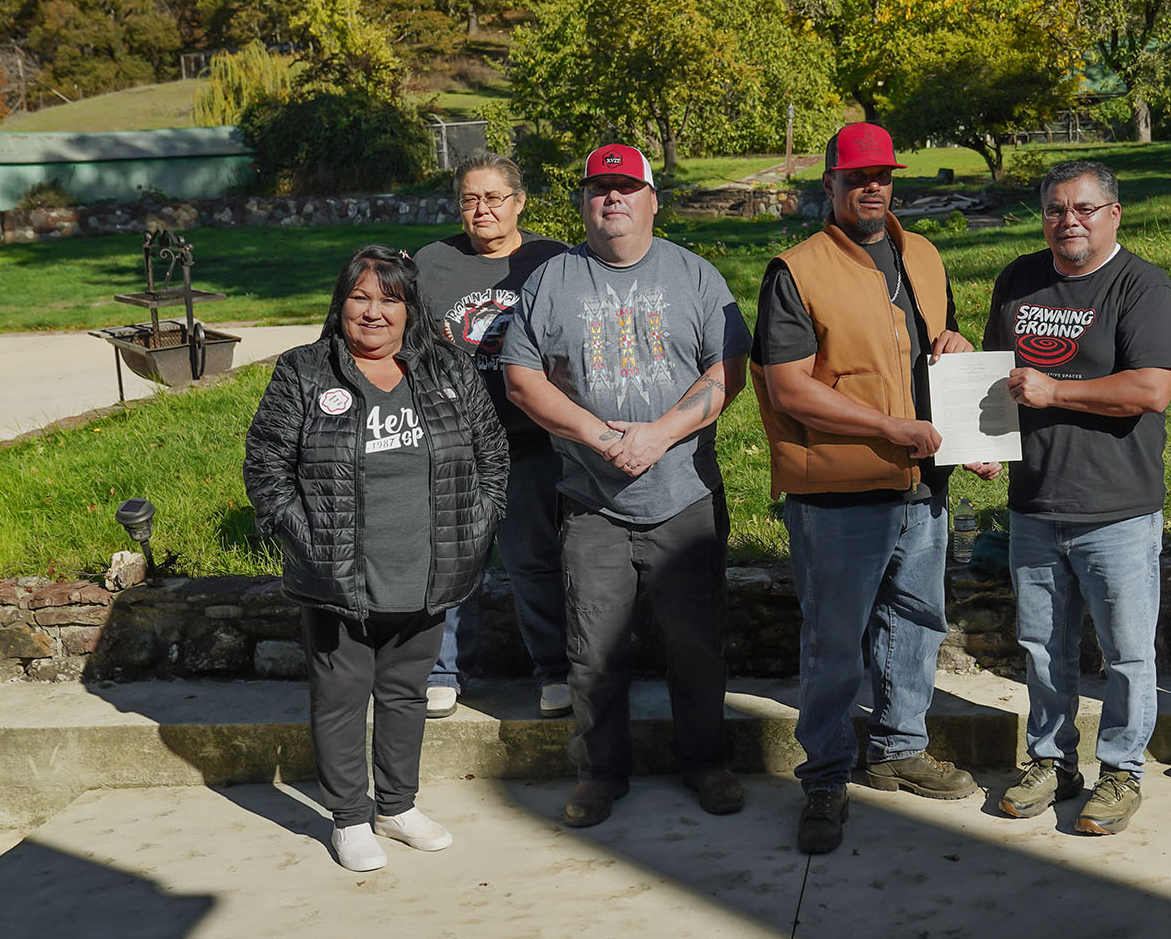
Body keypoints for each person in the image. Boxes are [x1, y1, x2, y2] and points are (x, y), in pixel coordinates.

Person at [750, 121, 981, 856]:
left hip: (921, 483)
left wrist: (956, 347)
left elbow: (931, 347)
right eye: (856, 177)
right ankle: (824, 776)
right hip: (840, 489)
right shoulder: (797, 270)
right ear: (830, 185)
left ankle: (898, 750)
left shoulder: (925, 254)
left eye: (881, 175)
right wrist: (892, 427)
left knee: (915, 625)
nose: (872, 187)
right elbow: (789, 390)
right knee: (833, 642)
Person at [502, 144, 749, 828]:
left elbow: (729, 369)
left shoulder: (694, 276)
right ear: (582, 201)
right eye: (598, 188)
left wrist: (659, 433)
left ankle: (706, 761)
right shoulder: (551, 280)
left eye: (625, 188)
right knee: (593, 648)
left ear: (651, 199)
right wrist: (600, 436)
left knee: (695, 643)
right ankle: (601, 774)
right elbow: (522, 379)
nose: (612, 199)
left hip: (684, 497)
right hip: (591, 501)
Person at [244, 245, 507, 873]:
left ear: (411, 308)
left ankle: (396, 804)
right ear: (340, 304)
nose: (374, 311)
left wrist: (479, 522)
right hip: (337, 573)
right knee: (341, 696)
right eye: (361, 296)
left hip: (427, 568)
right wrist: (304, 539)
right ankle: (349, 817)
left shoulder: (447, 370)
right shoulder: (304, 373)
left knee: (405, 693)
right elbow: (266, 467)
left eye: (390, 298)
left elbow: (490, 453)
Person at [981, 160, 1171, 835]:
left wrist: (1055, 390)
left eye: (1085, 209)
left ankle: (1122, 772)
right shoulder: (1018, 279)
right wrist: (978, 437)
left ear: (1114, 213)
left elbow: (1151, 390)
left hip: (1116, 509)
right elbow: (994, 374)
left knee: (1127, 654)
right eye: (1056, 210)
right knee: (1042, 648)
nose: (1069, 222)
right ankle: (1052, 762)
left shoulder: (1141, 287)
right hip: (1034, 501)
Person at [414, 154, 570, 720]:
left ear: (519, 202)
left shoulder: (553, 260)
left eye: (493, 198)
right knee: (455, 560)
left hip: (532, 440)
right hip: (456, 442)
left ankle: (556, 670)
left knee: (535, 558)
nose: (481, 210)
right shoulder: (432, 262)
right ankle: (444, 671)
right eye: (469, 200)